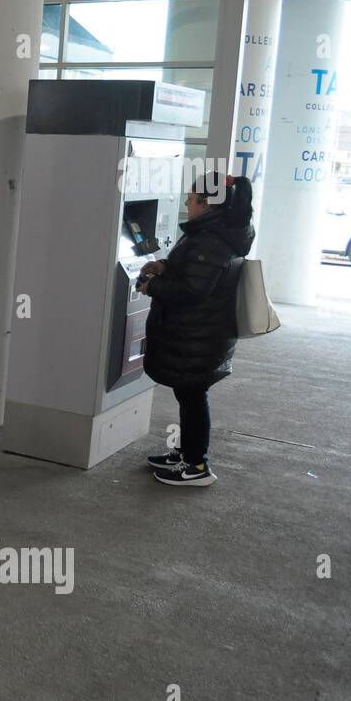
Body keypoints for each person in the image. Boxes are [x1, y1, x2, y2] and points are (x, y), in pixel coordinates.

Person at [137, 171, 255, 486]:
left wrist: (152, 286)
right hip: (202, 332)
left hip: (198, 336)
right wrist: (166, 266)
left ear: (207, 204)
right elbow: (198, 274)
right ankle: (186, 452)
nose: (187, 202)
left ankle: (197, 466)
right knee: (188, 394)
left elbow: (193, 291)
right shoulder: (217, 232)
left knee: (192, 396)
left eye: (192, 198)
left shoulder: (211, 239)